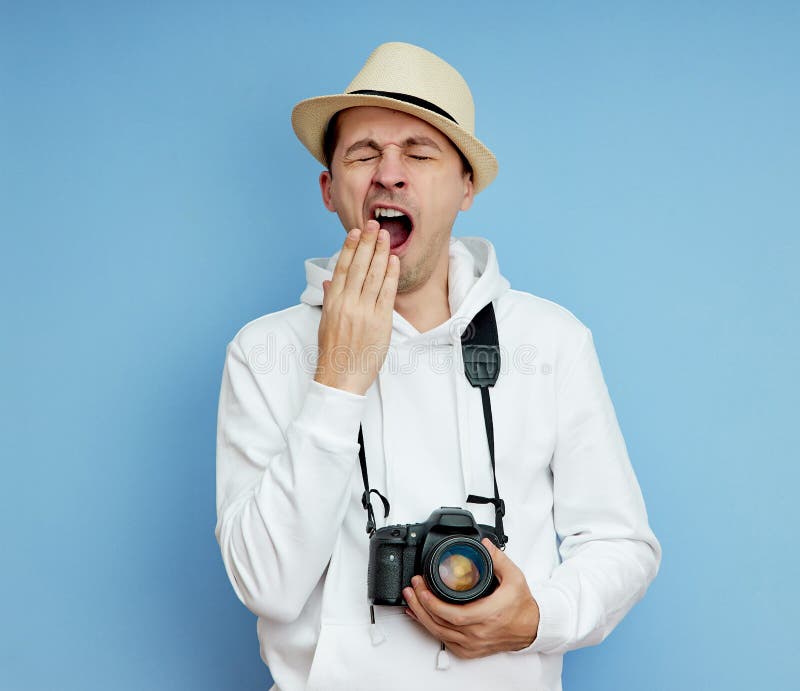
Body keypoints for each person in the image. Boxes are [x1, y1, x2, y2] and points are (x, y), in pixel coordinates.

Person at [215, 42, 661, 691]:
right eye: (363, 153)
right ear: (329, 189)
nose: (390, 174)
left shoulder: (551, 341)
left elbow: (622, 544)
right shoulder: (263, 351)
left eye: (420, 153)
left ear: (466, 186)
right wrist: (338, 379)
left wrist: (538, 618)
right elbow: (267, 587)